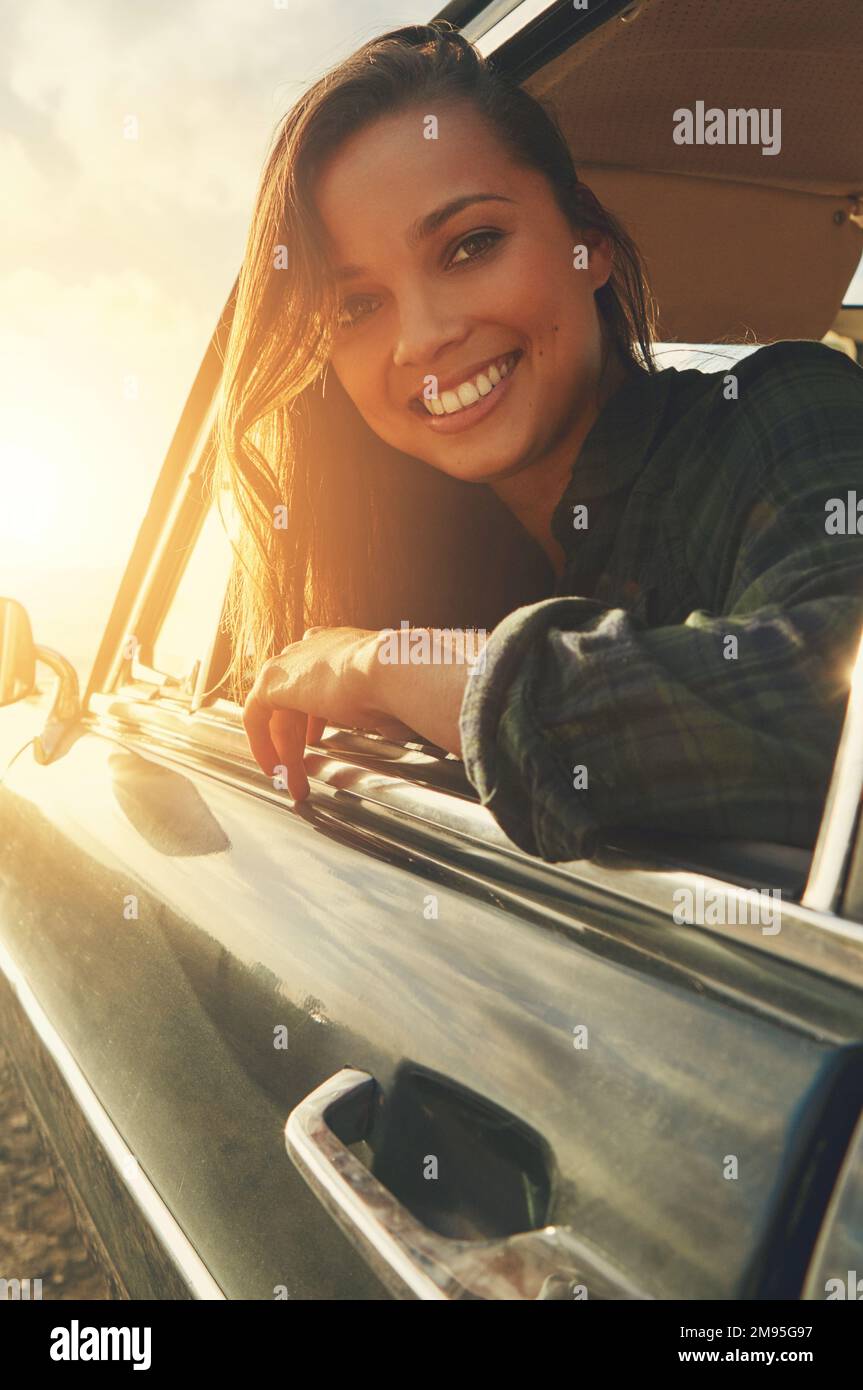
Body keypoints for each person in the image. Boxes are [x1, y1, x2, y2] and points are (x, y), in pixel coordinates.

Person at [215, 23, 863, 863]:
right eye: (355, 308)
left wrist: (391, 665)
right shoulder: (382, 548)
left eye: (469, 245)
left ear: (584, 243)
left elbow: (828, 716)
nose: (422, 338)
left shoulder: (781, 406)